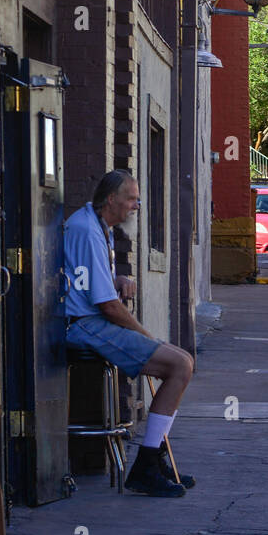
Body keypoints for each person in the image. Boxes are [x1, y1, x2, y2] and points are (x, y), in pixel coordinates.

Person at [63, 169, 196, 497]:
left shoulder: (99, 226)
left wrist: (116, 280)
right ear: (112, 199)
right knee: (178, 365)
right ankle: (146, 465)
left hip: (92, 319)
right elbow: (107, 306)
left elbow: (91, 283)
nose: (137, 205)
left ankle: (154, 455)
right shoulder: (87, 230)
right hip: (82, 324)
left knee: (183, 360)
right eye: (132, 198)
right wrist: (144, 334)